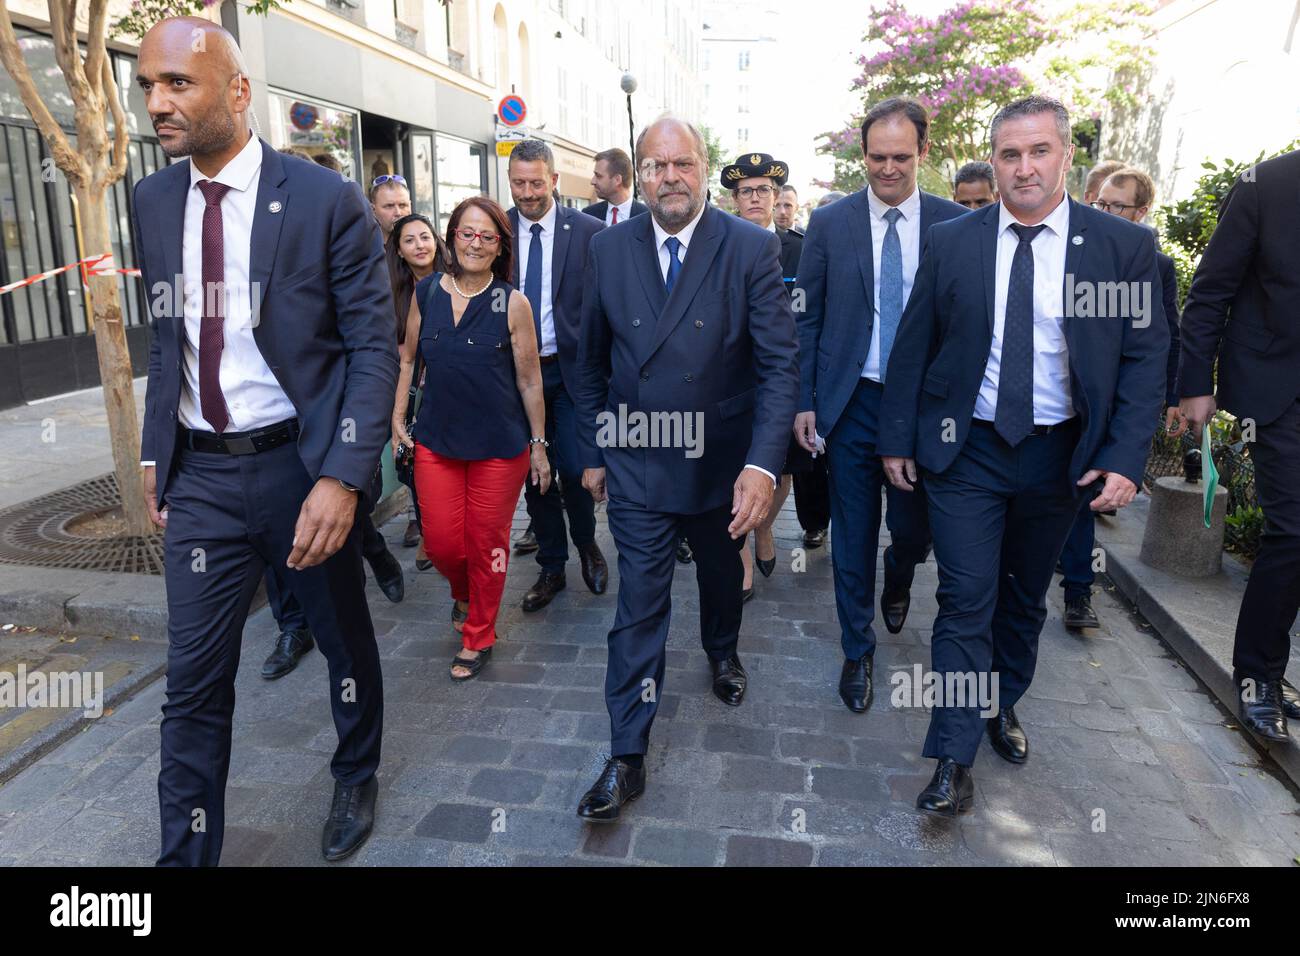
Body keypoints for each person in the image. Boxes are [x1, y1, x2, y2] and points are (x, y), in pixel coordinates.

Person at [134, 18, 395, 864]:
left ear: (237, 93)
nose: (157, 103)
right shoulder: (152, 199)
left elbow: (370, 347)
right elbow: (164, 336)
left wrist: (346, 475)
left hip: (301, 465)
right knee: (193, 684)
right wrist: (153, 447)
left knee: (343, 639)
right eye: (148, 86)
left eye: (177, 83)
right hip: (201, 478)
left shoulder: (322, 200)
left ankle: (357, 768)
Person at [878, 95, 1168, 814]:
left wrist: (1127, 458)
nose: (1024, 167)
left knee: (1021, 598)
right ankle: (951, 753)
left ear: (1066, 156)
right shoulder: (955, 239)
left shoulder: (1119, 247)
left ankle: (1002, 702)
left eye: (1039, 151)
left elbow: (1142, 360)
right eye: (1010, 154)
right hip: (966, 450)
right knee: (963, 598)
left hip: (1060, 455)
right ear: (994, 161)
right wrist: (896, 439)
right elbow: (913, 344)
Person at [572, 115, 799, 821]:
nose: (670, 177)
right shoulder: (607, 249)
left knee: (720, 581)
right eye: (655, 165)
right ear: (639, 177)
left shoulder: (751, 247)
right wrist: (593, 452)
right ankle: (627, 754)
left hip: (721, 464)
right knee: (638, 608)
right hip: (639, 461)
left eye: (683, 163)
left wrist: (763, 467)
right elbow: (587, 364)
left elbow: (778, 366)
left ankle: (723, 650)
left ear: (705, 168)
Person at [794, 97, 967, 716]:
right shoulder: (830, 223)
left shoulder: (954, 225)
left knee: (915, 531)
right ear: (861, 155)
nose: (887, 169)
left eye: (900, 157)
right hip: (852, 405)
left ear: (922, 151)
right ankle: (857, 649)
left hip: (924, 410)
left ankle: (901, 573)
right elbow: (805, 319)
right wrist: (806, 400)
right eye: (875, 157)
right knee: (852, 535)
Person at [391, 197, 551, 680]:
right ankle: (464, 591)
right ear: (451, 236)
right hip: (437, 441)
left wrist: (539, 444)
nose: (475, 243)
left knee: (487, 544)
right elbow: (408, 361)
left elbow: (529, 380)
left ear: (499, 245)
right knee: (441, 544)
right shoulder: (427, 295)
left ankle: (479, 632)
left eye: (487, 236)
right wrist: (398, 417)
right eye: (466, 233)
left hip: (499, 449)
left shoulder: (513, 303)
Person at [1175, 147, 1300, 740]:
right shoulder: (1267, 184)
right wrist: (1195, 383)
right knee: (1295, 529)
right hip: (1278, 389)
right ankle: (1258, 678)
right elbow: (1210, 291)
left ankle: (1277, 670)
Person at [1058, 166, 1182, 630]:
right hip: (1060, 402)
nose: (1104, 212)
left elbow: (1161, 338)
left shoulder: (1156, 264)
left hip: (1106, 406)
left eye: (1116, 206)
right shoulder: (1073, 248)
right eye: (1099, 204)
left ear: (1141, 212)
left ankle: (1077, 592)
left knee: (1082, 498)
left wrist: (1172, 395)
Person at [506, 140, 609, 611]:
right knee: (535, 472)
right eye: (518, 183)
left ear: (553, 180)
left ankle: (586, 543)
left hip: (570, 375)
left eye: (535, 182)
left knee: (572, 466)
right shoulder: (496, 229)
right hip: (513, 377)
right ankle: (551, 565)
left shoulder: (589, 232)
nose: (527, 193)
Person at [723, 152, 826, 597]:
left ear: (777, 196)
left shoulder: (800, 250)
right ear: (734, 200)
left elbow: (813, 316)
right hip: (729, 379)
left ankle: (762, 527)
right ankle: (741, 548)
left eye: (764, 190)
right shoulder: (718, 247)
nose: (755, 198)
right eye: (745, 191)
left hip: (783, 378)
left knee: (782, 471)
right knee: (734, 466)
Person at [386, 213, 447, 558]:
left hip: (448, 384)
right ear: (399, 250)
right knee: (412, 465)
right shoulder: (392, 290)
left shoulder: (455, 276)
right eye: (409, 240)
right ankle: (427, 530)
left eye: (424, 237)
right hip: (409, 387)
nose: (419, 245)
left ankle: (440, 533)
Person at [585, 147, 649, 226]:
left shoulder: (649, 217)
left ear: (617, 180)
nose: (592, 181)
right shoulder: (588, 215)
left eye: (598, 176)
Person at [370, 174, 412, 238]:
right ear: (373, 210)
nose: (398, 213)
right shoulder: (363, 245)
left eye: (402, 205)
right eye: (389, 206)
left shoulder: (423, 244)